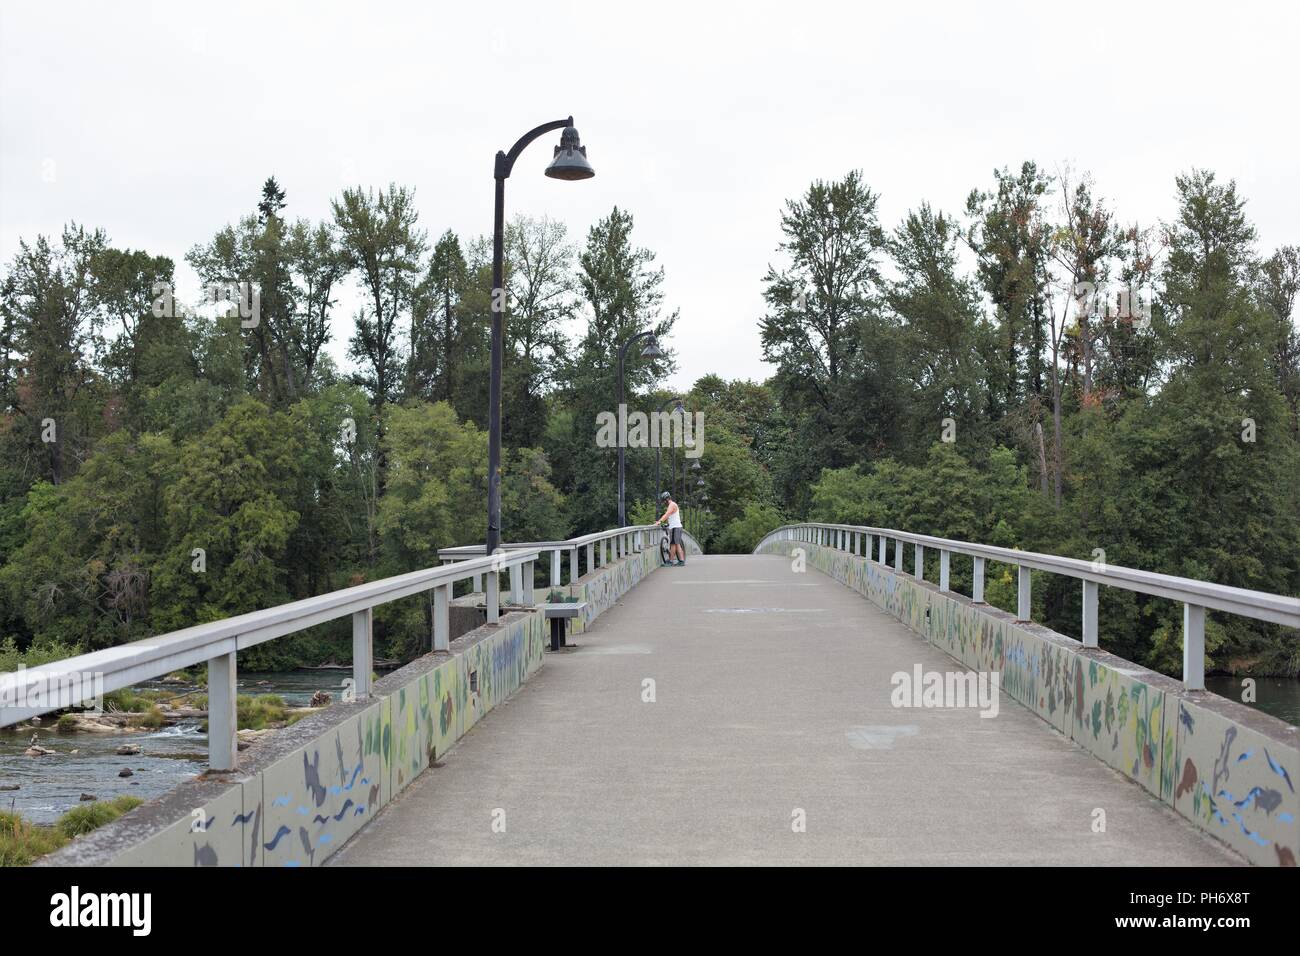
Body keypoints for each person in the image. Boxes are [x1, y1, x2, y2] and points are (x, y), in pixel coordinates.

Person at [655, 491, 686, 566]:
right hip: (676, 526)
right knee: (677, 544)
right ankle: (681, 561)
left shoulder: (672, 505)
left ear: (666, 499)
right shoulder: (672, 505)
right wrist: (667, 524)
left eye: (664, 501)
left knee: (673, 544)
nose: (663, 502)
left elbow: (667, 514)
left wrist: (659, 522)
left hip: (675, 527)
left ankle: (670, 561)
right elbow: (672, 517)